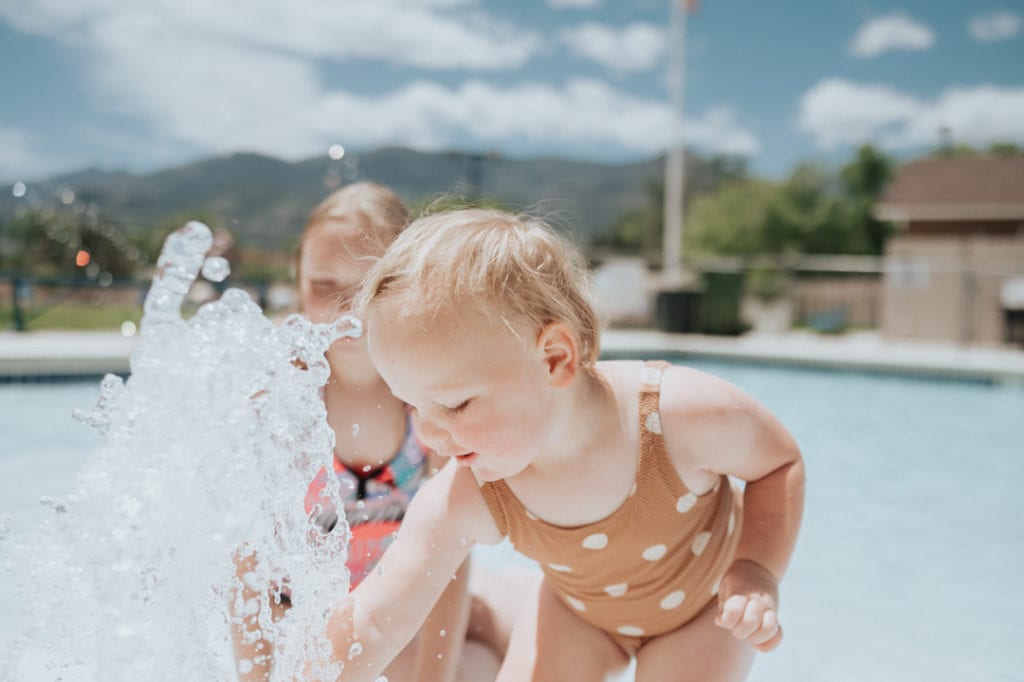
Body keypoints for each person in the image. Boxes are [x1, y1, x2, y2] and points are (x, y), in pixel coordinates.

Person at [318, 207, 805, 682]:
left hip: (707, 611)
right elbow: (378, 618)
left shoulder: (677, 416)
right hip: (577, 616)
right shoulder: (476, 487)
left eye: (456, 404)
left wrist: (756, 570)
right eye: (412, 406)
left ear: (553, 358)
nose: (429, 434)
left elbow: (777, 463)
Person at [230, 184, 503, 682]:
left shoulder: (429, 397)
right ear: (298, 282)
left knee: (486, 655)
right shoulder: (281, 397)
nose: (344, 310)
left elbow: (451, 554)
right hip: (305, 617)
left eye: (367, 285)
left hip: (397, 611)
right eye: (322, 286)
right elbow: (247, 571)